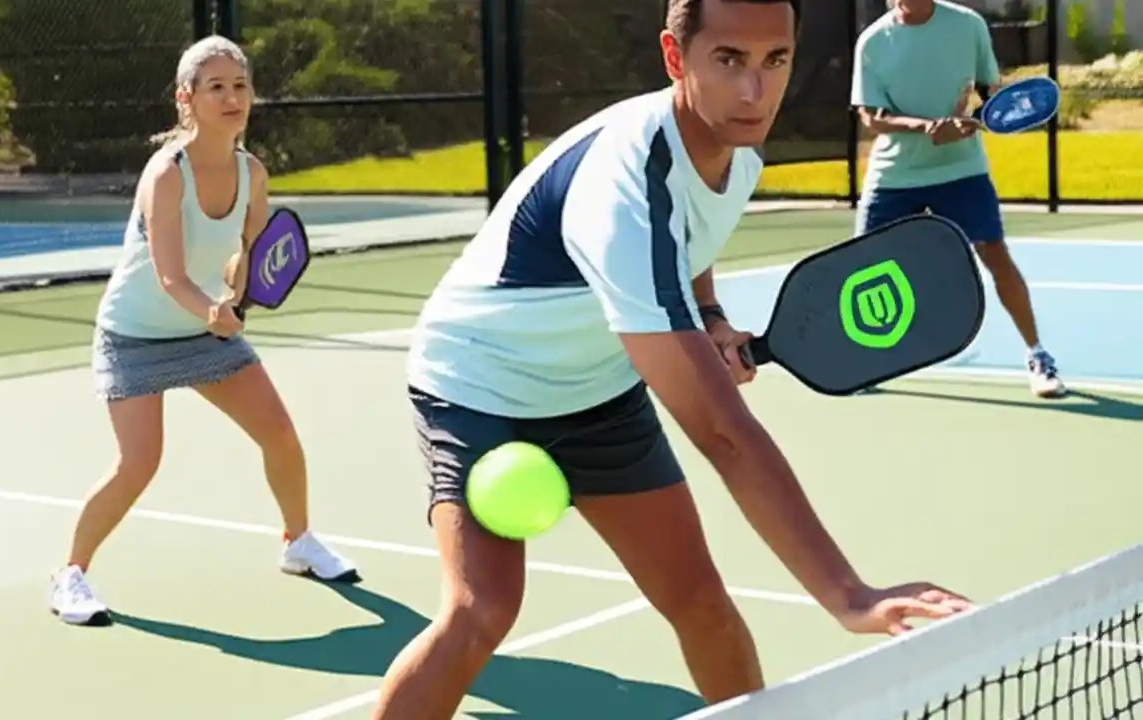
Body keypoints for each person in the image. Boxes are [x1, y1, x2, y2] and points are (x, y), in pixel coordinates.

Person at [373, 0, 973, 716]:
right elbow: (721, 433)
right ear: (674, 57)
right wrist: (848, 594)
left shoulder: (738, 151)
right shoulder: (625, 181)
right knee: (482, 609)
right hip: (479, 380)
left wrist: (710, 318)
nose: (756, 91)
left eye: (774, 60)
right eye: (728, 61)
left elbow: (689, 248)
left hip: (595, 386)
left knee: (703, 605)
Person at [48, 36, 358, 627]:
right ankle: (70, 574)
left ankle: (298, 543)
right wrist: (213, 310)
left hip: (205, 332)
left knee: (282, 436)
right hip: (135, 335)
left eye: (240, 86)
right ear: (186, 99)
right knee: (138, 464)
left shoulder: (253, 173)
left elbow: (245, 253)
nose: (232, 97)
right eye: (216, 87)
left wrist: (235, 294)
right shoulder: (167, 175)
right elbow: (168, 273)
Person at [851, 0, 1067, 398]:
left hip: (961, 171)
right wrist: (928, 126)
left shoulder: (968, 26)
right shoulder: (873, 41)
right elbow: (870, 115)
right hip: (895, 173)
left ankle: (1038, 355)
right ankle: (862, 359)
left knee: (994, 253)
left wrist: (984, 115)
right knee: (861, 265)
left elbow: (990, 89)